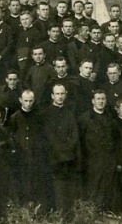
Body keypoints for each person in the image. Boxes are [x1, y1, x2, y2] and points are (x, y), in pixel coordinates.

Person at [43, 82, 82, 217]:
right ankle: (58, 216)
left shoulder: (69, 113)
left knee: (69, 190)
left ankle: (68, 216)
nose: (60, 97)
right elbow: (50, 138)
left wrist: (69, 151)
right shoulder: (46, 114)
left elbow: (74, 135)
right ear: (52, 96)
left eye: (62, 94)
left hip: (69, 159)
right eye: (57, 94)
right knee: (57, 190)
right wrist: (63, 152)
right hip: (55, 160)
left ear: (66, 95)